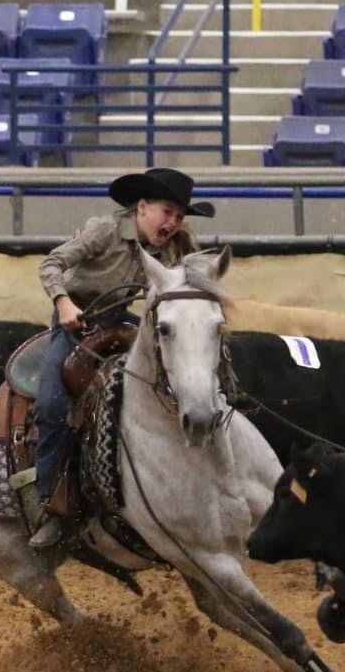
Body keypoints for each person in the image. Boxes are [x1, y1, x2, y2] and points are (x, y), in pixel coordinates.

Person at [26, 167, 214, 547]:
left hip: (124, 322)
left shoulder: (177, 249)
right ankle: (50, 507)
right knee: (51, 403)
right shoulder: (104, 230)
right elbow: (51, 264)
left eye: (179, 216)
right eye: (167, 212)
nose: (173, 223)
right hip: (77, 322)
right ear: (142, 207)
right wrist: (63, 304)